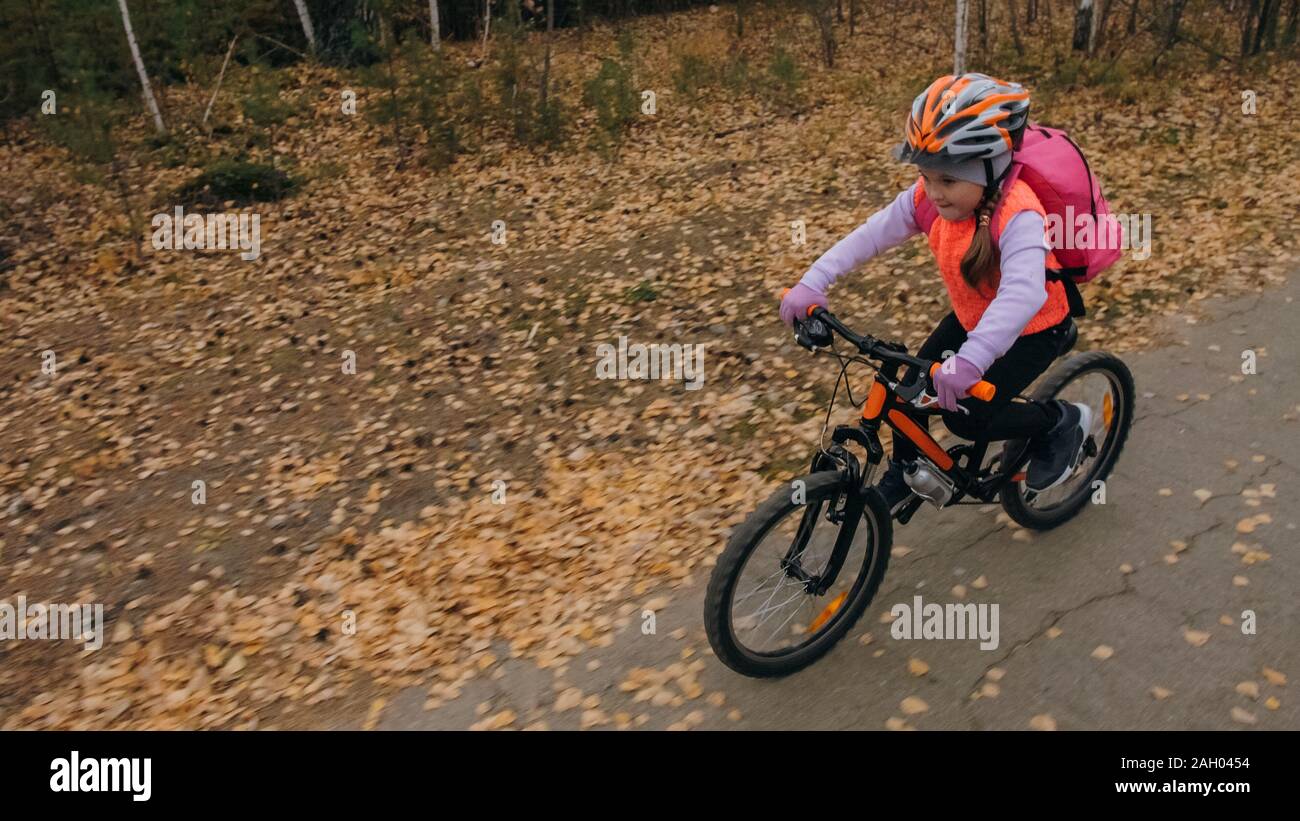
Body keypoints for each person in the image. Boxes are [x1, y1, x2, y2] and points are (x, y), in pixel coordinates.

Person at [779, 73, 1092, 515]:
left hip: (1034, 329)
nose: (933, 191)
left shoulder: (1019, 212)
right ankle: (904, 472)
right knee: (907, 391)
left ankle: (1059, 423)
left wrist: (971, 359)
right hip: (973, 319)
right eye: (925, 176)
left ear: (992, 166)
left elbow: (1024, 292)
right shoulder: (930, 200)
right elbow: (871, 235)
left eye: (946, 179)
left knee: (968, 418)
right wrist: (815, 280)